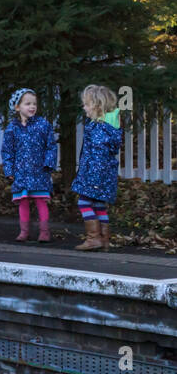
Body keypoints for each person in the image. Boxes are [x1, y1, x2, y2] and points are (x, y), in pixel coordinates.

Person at [71, 84, 123, 251]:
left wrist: (92, 178)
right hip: (104, 176)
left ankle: (93, 238)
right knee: (99, 205)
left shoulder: (99, 129)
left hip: (95, 175)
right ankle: (105, 240)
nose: (83, 107)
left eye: (86, 104)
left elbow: (98, 158)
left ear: (97, 106)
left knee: (84, 203)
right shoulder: (106, 128)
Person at [1, 88, 57, 242]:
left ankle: (44, 232)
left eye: (34, 104)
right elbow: (7, 151)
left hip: (40, 171)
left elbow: (51, 145)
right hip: (21, 173)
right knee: (23, 201)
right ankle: (24, 231)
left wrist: (49, 164)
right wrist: (9, 170)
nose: (32, 107)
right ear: (17, 107)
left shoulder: (43, 125)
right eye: (27, 104)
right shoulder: (12, 128)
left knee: (41, 200)